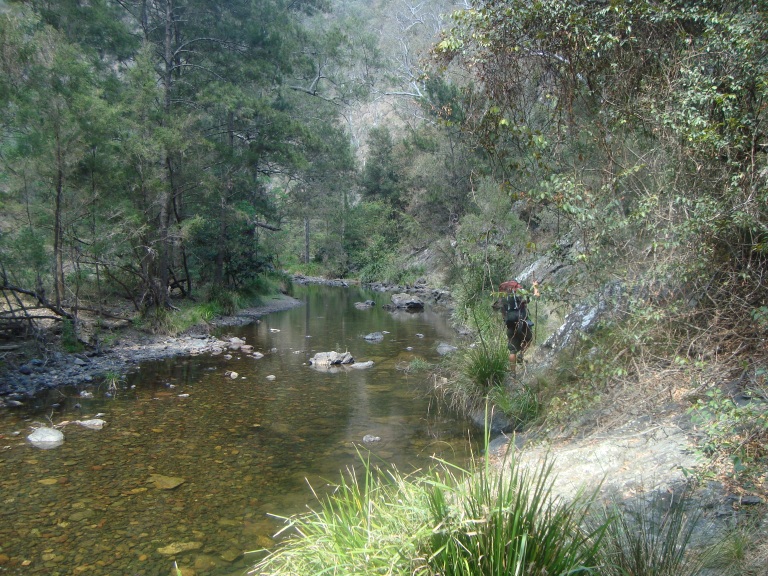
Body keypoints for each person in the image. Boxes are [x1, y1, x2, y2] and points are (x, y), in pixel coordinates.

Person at [498, 280, 537, 372]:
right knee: (529, 339)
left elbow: (502, 312)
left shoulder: (502, 298)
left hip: (510, 325)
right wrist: (535, 286)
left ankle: (513, 373)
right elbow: (534, 297)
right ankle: (521, 354)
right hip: (523, 323)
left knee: (512, 350)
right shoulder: (519, 294)